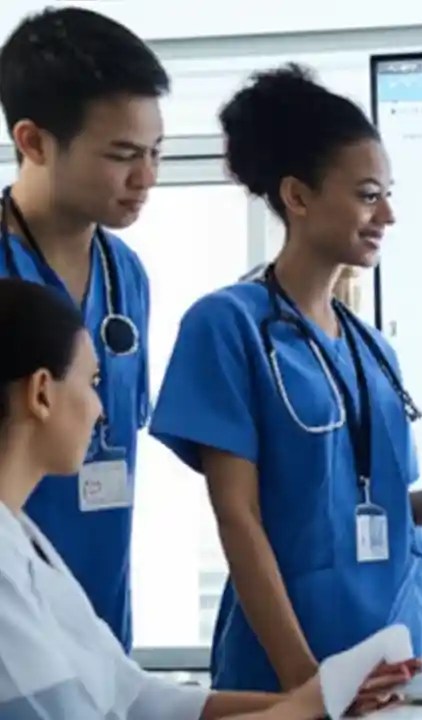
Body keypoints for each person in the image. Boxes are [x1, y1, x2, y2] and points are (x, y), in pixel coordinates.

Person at [149, 64, 422, 693]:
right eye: (369, 195)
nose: (388, 214)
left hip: (399, 662)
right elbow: (240, 519)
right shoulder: (228, 325)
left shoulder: (371, 347)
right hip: (298, 671)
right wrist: (307, 687)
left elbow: (387, 514)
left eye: (388, 194)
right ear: (297, 195)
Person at [0, 277, 422, 719]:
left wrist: (319, 701)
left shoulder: (22, 536)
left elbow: (136, 697)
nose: (101, 408)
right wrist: (302, 707)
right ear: (42, 393)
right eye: (92, 382)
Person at [0, 6, 166, 651]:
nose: (145, 178)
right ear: (34, 141)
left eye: (155, 153)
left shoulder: (128, 276)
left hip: (100, 629)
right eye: (122, 156)